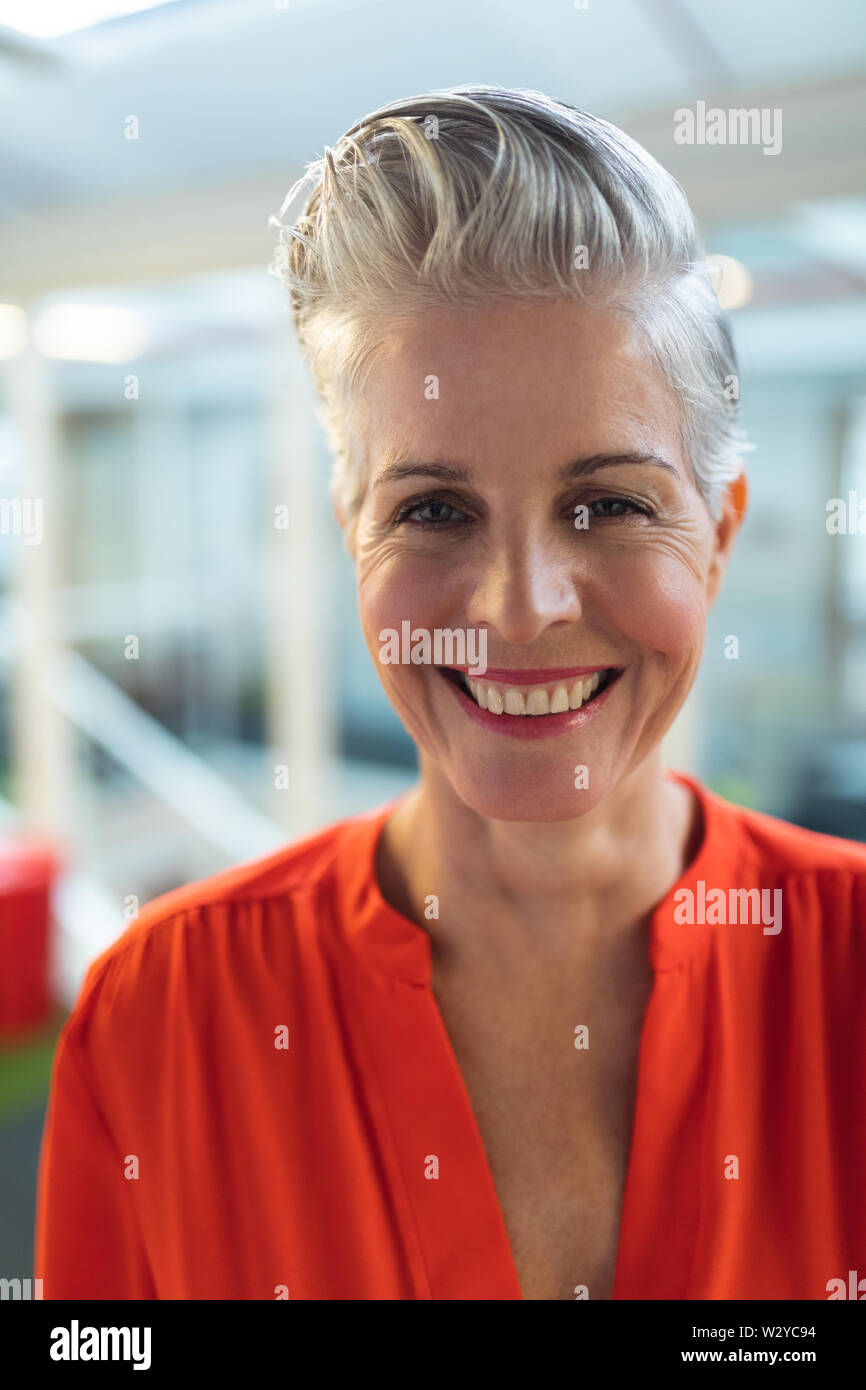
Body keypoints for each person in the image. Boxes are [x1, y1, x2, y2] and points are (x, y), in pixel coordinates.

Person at [35, 85, 866, 1301]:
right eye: (430, 510)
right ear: (348, 534)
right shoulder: (161, 1013)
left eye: (609, 504)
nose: (518, 606)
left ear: (718, 537)